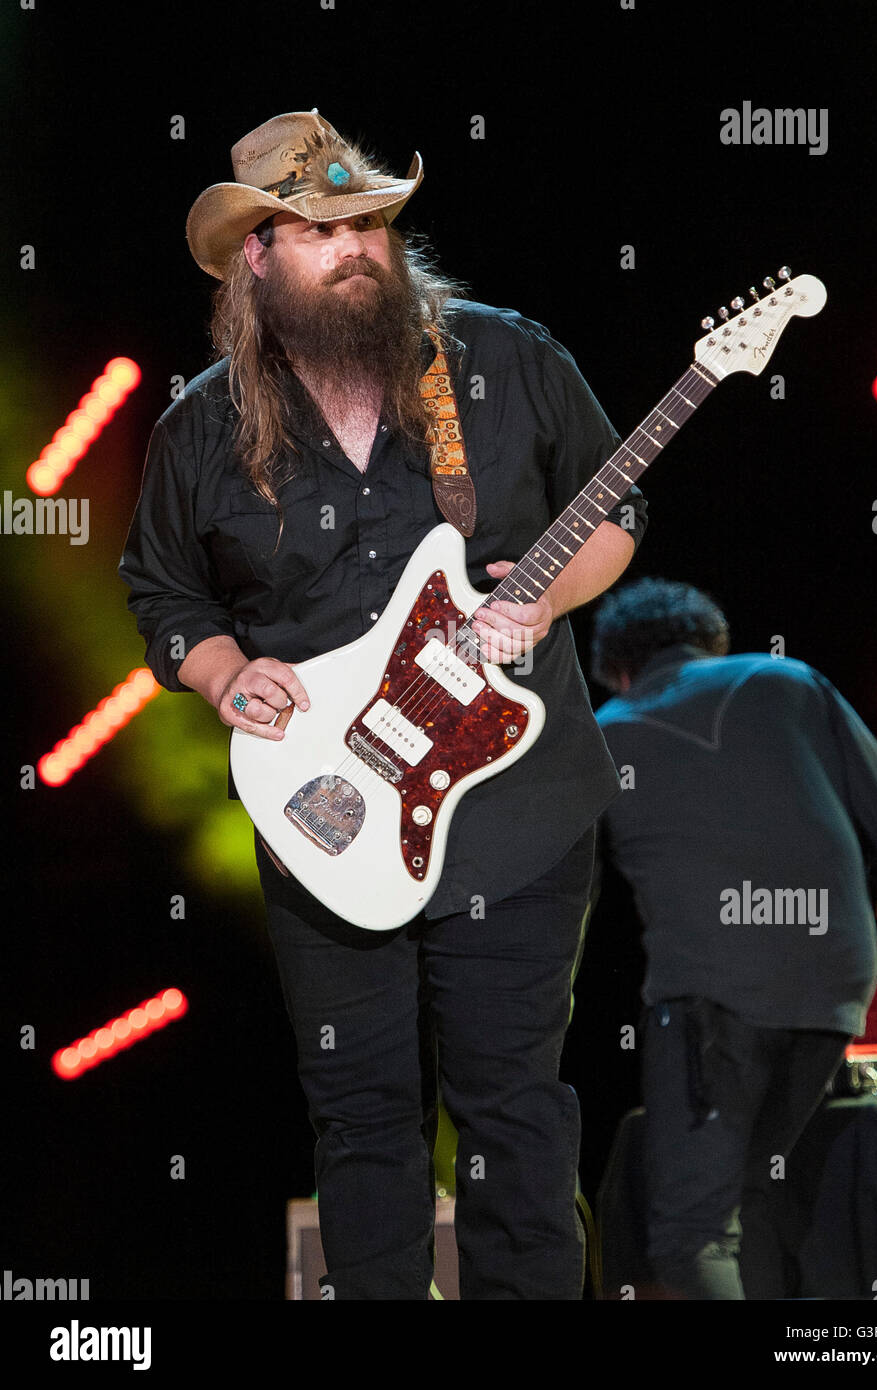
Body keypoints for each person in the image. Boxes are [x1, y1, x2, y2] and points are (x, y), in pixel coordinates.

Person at [119, 108, 645, 1300]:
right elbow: (163, 589)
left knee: (513, 1110)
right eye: (319, 229)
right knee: (361, 1120)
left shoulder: (503, 360)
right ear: (256, 256)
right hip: (328, 813)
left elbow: (615, 518)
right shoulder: (201, 425)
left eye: (369, 221)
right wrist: (219, 670)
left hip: (514, 803)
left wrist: (543, 598)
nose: (355, 245)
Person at [590, 577, 877, 1299]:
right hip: (832, 986)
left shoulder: (605, 729)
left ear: (618, 666)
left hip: (713, 997)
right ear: (708, 639)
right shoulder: (786, 678)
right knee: (751, 1197)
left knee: (693, 1232)